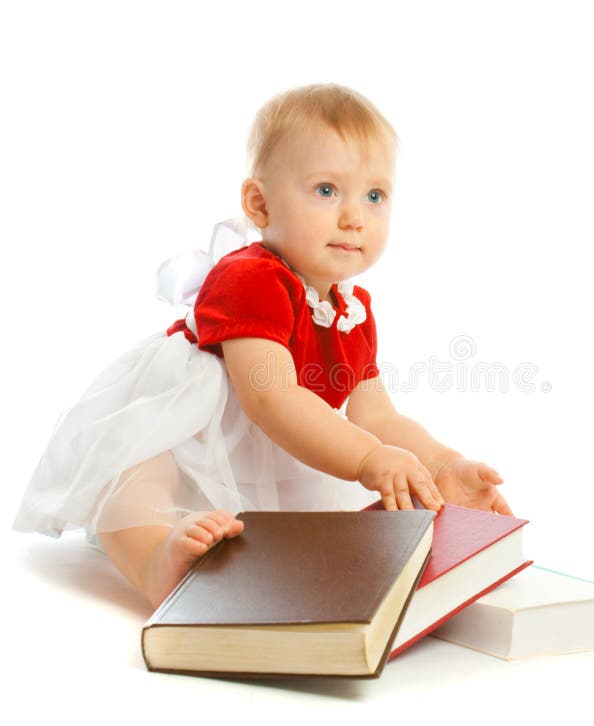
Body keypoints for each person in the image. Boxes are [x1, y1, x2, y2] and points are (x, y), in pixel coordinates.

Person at [13, 83, 512, 608]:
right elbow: (270, 399)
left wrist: (437, 464)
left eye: (375, 196)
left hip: (268, 447)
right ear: (259, 203)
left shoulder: (352, 308)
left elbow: (377, 416)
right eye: (326, 190)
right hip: (189, 424)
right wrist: (368, 459)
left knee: (312, 520)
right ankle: (153, 559)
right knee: (139, 479)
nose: (354, 217)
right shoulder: (252, 277)